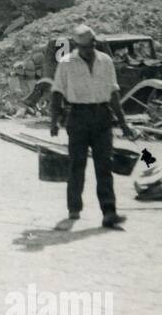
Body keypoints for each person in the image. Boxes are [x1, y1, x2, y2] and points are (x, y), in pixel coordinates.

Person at [49, 23, 136, 227]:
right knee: (76, 165)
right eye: (84, 47)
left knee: (104, 167)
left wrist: (123, 123)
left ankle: (109, 212)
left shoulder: (106, 61)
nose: (88, 50)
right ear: (77, 46)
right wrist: (54, 122)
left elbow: (114, 93)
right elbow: (56, 92)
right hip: (77, 117)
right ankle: (74, 208)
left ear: (94, 43)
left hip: (102, 116)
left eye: (91, 45)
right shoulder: (66, 63)